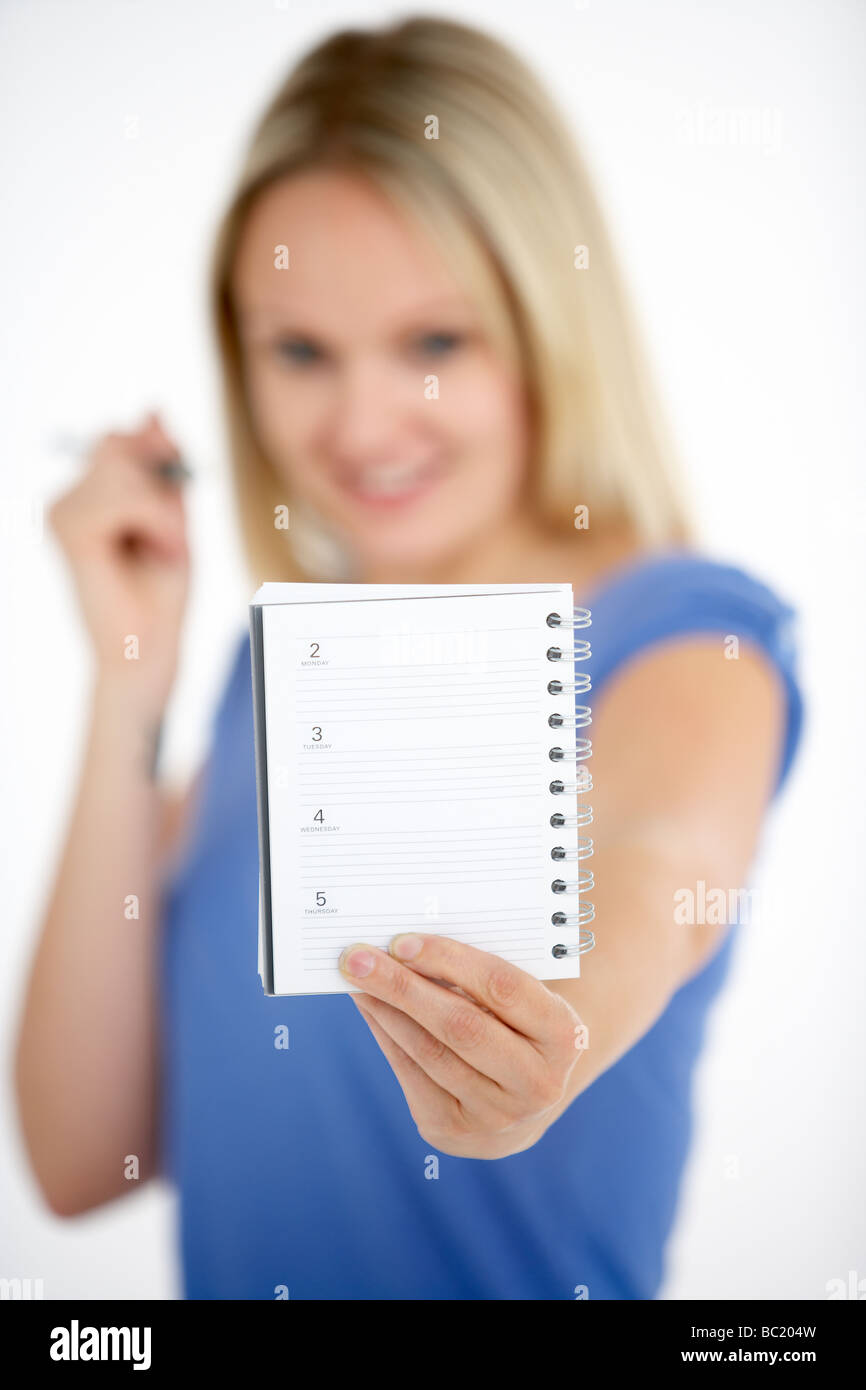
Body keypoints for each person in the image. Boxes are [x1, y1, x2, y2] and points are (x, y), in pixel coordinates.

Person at [14, 16, 803, 1299]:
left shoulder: (683, 629)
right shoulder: (267, 681)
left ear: (547, 324)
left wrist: (559, 1033)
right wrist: (127, 683)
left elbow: (666, 862)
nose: (362, 422)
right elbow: (80, 1160)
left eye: (434, 344)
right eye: (300, 350)